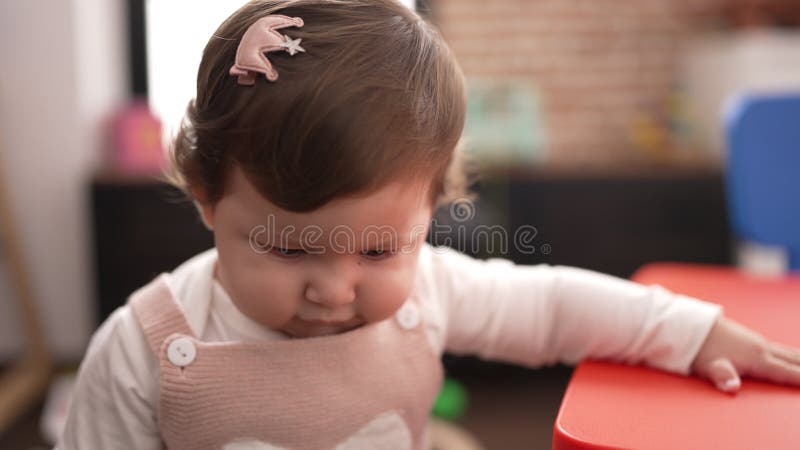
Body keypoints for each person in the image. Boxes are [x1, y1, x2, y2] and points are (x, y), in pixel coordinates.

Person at [58, 1, 800, 449]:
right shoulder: (143, 349)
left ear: (433, 209)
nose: (332, 289)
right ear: (206, 197)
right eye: (287, 248)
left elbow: (552, 307)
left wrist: (693, 332)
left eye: (380, 249)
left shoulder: (430, 292)